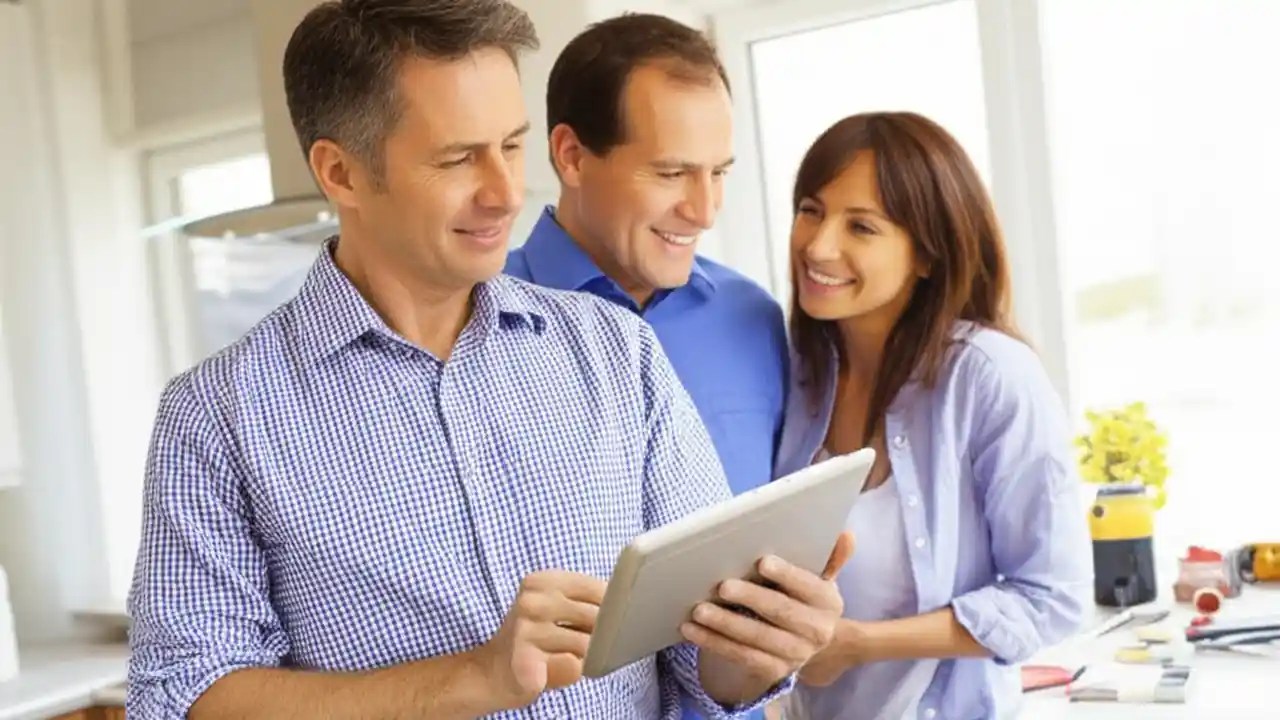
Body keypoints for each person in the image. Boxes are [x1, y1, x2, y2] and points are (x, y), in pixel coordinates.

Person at [124, 2, 854, 719]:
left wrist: (758, 646)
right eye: (456, 158)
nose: (506, 192)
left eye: (511, 145)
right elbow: (182, 695)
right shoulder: (218, 414)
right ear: (340, 173)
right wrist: (473, 677)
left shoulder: (615, 351)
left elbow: (701, 663)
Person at [772, 112, 1093, 720]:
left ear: (926, 255)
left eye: (861, 226)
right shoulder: (794, 371)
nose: (818, 245)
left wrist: (856, 646)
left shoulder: (989, 375)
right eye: (811, 209)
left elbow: (1051, 596)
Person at [505, 13, 788, 503]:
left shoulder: (752, 319)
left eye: (718, 172)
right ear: (571, 155)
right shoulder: (469, 317)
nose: (703, 213)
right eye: (672, 173)